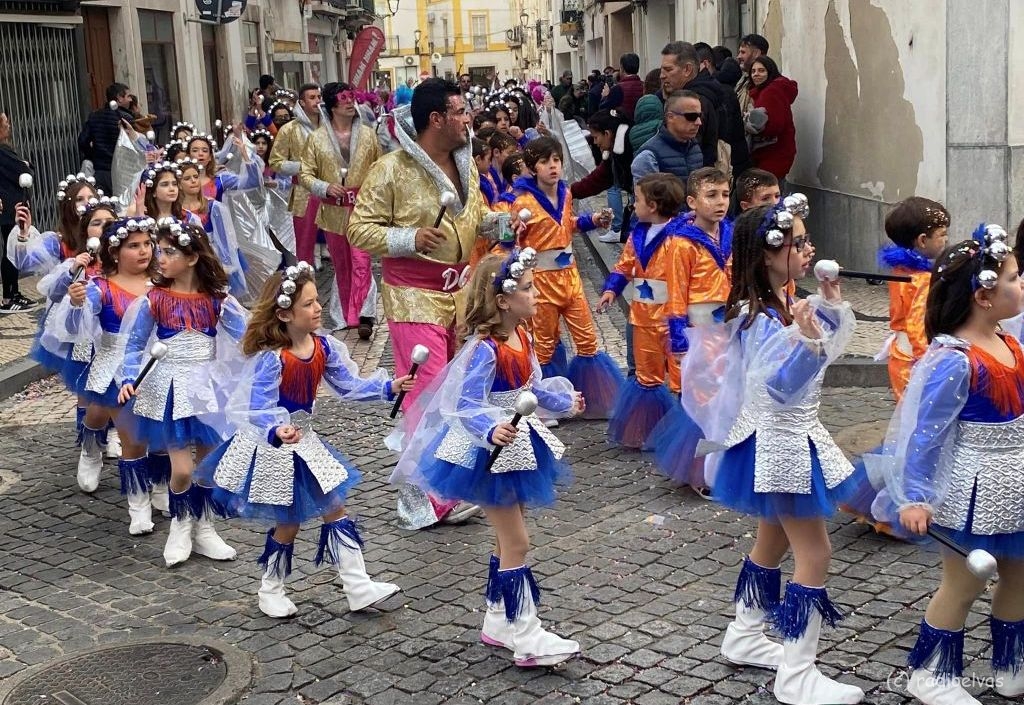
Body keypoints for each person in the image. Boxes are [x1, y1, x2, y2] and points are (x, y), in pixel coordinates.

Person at [682, 197, 863, 705]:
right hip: (779, 441)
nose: (809, 250)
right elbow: (783, 386)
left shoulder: (780, 304)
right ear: (769, 253)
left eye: (807, 241)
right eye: (799, 242)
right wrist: (807, 337)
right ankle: (797, 673)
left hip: (787, 435)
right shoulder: (758, 316)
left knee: (773, 543)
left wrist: (827, 307)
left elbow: (824, 353)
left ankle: (743, 633)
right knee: (816, 552)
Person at [392, 250, 584, 666]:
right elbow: (462, 402)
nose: (537, 294)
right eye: (529, 288)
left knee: (506, 540)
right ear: (502, 299)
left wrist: (565, 400)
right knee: (518, 541)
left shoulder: (523, 337)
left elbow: (529, 386)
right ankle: (527, 635)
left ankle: (498, 619)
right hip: (489, 454)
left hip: (514, 447)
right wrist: (488, 427)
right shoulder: (483, 349)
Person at [194, 264, 411, 618]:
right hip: (275, 449)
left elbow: (349, 386)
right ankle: (271, 587)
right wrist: (276, 429)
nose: (318, 308)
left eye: (317, 301)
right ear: (284, 313)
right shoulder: (274, 359)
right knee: (289, 522)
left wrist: (388, 387)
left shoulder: (323, 346)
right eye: (308, 303)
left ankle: (358, 586)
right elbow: (256, 406)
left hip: (305, 442)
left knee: (335, 507)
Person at [865, 227, 1024, 705]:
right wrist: (913, 495)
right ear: (984, 295)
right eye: (1016, 278)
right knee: (964, 582)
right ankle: (931, 673)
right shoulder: (954, 361)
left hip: (1014, 483)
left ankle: (1010, 664)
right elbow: (924, 432)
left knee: (1020, 575)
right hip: (972, 488)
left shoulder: (1011, 344)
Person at [348, 79, 501, 529]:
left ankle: (446, 482)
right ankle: (429, 497)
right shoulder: (390, 169)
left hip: (459, 295)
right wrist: (408, 238)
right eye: (461, 111)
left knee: (456, 392)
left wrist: (504, 224)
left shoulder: (467, 165)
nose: (468, 118)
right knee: (428, 393)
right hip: (412, 294)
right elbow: (359, 230)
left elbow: (473, 223)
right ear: (436, 119)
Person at [117, 220, 248, 568]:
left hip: (206, 390)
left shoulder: (218, 301)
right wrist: (130, 376)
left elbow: (249, 339)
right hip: (170, 389)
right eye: (159, 251)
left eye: (169, 252)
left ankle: (204, 528)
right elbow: (132, 345)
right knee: (183, 470)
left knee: (206, 467)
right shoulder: (155, 299)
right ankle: (180, 522)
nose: (159, 257)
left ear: (192, 258)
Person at [840, 198, 949, 535]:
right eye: (942, 234)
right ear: (922, 240)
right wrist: (931, 361)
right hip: (915, 358)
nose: (946, 240)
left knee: (911, 430)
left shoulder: (904, 270)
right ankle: (890, 506)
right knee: (918, 434)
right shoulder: (922, 278)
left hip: (901, 354)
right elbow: (918, 326)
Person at [50, 215, 158, 533]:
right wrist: (75, 304)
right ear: (114, 252)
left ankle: (165, 487)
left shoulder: (162, 282)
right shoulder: (101, 288)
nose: (144, 251)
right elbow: (74, 329)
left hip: (156, 367)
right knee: (132, 437)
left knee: (160, 437)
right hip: (115, 367)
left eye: (147, 244)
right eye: (133, 246)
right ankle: (137, 503)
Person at [512, 136, 623, 417]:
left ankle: (595, 401)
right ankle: (546, 407)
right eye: (545, 161)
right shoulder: (522, 202)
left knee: (587, 338)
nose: (553, 167)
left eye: (556, 160)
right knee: (545, 345)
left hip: (571, 279)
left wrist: (592, 221)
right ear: (532, 167)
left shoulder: (566, 193)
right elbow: (510, 241)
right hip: (541, 281)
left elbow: (566, 225)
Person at [645, 167, 732, 494]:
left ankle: (722, 462)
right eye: (711, 195)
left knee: (725, 394)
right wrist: (678, 335)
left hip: (725, 327)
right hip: (699, 328)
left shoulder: (728, 233)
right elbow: (677, 291)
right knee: (702, 396)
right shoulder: (682, 243)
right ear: (693, 201)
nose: (720, 202)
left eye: (725, 194)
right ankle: (699, 470)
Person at [598, 174, 689, 448]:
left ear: (652, 205)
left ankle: (683, 433)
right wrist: (612, 289)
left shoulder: (680, 237)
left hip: (673, 319)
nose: (633, 205)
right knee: (646, 375)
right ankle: (648, 430)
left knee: (680, 376)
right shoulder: (637, 234)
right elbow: (625, 265)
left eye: (637, 199)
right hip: (642, 317)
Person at [299, 82, 381, 340]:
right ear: (332, 105)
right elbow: (305, 174)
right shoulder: (316, 138)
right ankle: (346, 315)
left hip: (363, 211)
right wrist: (324, 187)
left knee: (362, 261)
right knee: (342, 265)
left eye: (352, 98)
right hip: (332, 212)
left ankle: (365, 314)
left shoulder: (368, 135)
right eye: (344, 99)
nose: (349, 103)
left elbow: (380, 168)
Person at [660, 42, 749, 175]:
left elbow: (691, 152)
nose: (662, 75)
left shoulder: (694, 102)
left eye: (668, 70)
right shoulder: (709, 90)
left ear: (687, 70)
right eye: (662, 70)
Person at [571, 109, 634, 244]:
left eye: (595, 137)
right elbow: (597, 180)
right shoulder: (617, 152)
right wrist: (569, 192)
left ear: (607, 134)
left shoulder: (629, 150)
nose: (595, 142)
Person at [0, 110, 36, 312]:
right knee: (11, 249)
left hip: (9, 205)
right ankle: (8, 297)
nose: (9, 125)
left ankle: (13, 293)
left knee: (10, 248)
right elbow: (25, 171)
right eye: (5, 122)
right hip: (10, 207)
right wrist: (26, 165)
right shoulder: (3, 151)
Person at [631, 90, 704, 185]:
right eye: (691, 116)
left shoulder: (694, 147)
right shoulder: (649, 156)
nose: (699, 122)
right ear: (670, 117)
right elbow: (646, 198)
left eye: (700, 116)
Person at [746, 56, 798, 183]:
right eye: (753, 71)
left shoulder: (771, 92)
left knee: (768, 196)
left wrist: (749, 125)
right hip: (777, 153)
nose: (756, 74)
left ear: (770, 72)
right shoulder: (769, 91)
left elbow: (774, 126)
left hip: (772, 154)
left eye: (761, 70)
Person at [78, 83, 134, 194]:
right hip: (121, 172)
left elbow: (82, 141)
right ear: (119, 98)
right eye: (128, 96)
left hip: (100, 171)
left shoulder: (95, 116)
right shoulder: (126, 118)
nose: (131, 100)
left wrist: (94, 154)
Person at [600, 53, 643, 121]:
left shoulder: (618, 88)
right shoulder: (644, 85)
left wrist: (605, 97)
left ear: (622, 68)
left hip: (623, 125)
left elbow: (605, 111)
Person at [736, 34, 770, 116]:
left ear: (756, 53)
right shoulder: (744, 79)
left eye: (743, 52)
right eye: (739, 52)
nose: (738, 56)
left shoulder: (769, 83)